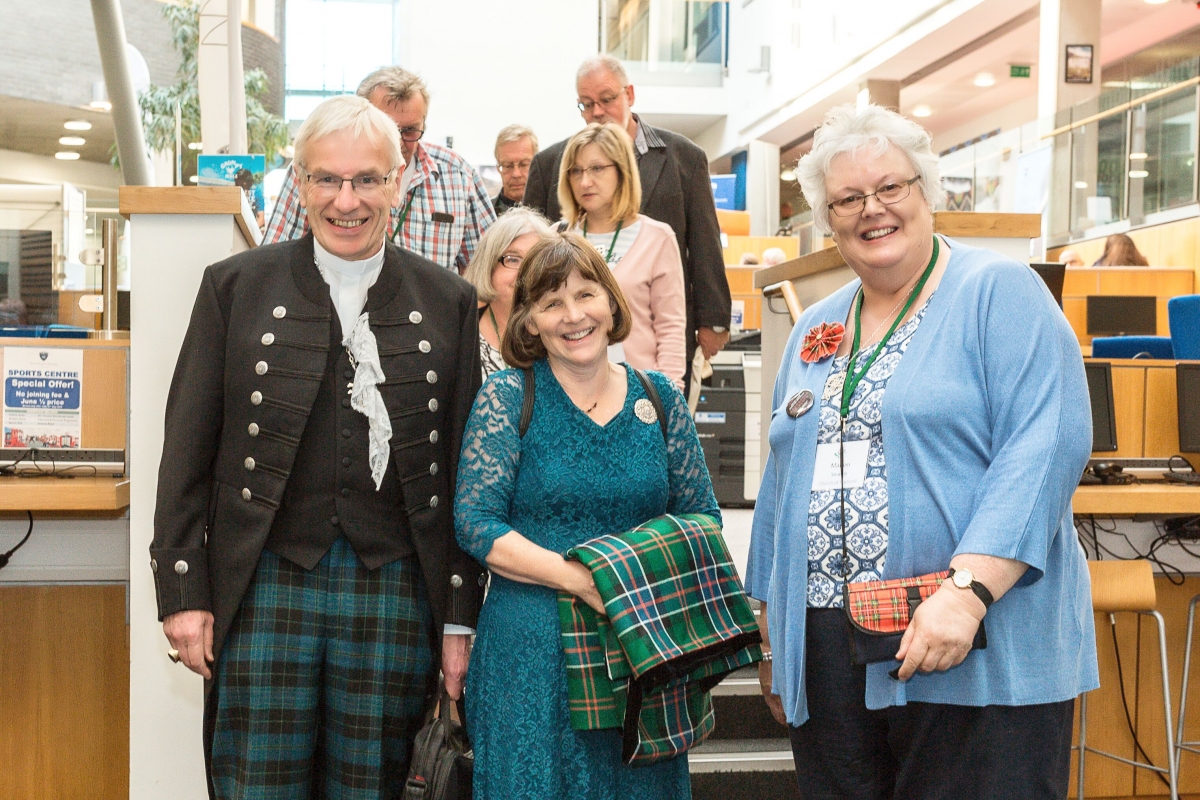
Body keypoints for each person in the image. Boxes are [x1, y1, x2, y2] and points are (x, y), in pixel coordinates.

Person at [746, 104, 1098, 799]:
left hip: (970, 635)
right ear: (826, 216)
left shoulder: (998, 292)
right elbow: (784, 477)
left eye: (890, 188)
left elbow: (1048, 441)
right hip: (828, 650)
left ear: (926, 191)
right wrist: (772, 636)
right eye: (847, 198)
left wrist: (966, 592)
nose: (871, 210)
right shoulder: (817, 326)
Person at [151, 95, 485, 798]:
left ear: (398, 182)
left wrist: (460, 618)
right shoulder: (235, 288)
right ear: (298, 184)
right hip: (266, 582)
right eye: (326, 180)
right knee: (258, 786)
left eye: (367, 179)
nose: (346, 200)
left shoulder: (447, 299)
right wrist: (184, 593)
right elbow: (186, 450)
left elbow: (461, 475)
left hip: (395, 588)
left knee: (374, 787)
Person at [454, 232, 720, 800]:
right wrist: (583, 580)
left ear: (612, 302)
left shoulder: (661, 398)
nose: (573, 316)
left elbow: (702, 517)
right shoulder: (508, 398)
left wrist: (628, 583)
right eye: (551, 304)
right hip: (531, 654)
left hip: (640, 652)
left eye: (586, 295)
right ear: (528, 322)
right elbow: (477, 523)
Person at [523, 55, 731, 378]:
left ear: (629, 95)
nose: (597, 112)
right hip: (571, 363)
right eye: (586, 104)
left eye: (606, 100)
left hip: (652, 342)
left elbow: (705, 244)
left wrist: (714, 319)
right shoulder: (551, 164)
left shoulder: (684, 158)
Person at [264, 66, 496, 274]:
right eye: (387, 128)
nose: (399, 142)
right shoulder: (314, 170)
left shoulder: (458, 175)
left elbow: (487, 269)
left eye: (411, 131)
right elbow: (276, 259)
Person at [558, 123, 687, 389]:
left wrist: (669, 397)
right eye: (576, 171)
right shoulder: (556, 239)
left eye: (596, 168)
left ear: (622, 170)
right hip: (568, 390)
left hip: (639, 390)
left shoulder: (657, 237)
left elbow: (670, 328)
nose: (585, 181)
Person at [461, 207, 553, 379]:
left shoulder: (561, 331)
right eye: (513, 259)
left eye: (536, 260)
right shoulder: (460, 334)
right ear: (488, 266)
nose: (525, 272)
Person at [492, 125, 538, 215]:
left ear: (537, 165)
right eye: (508, 166)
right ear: (498, 169)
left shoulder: (555, 213)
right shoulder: (484, 215)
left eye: (524, 164)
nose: (516, 174)